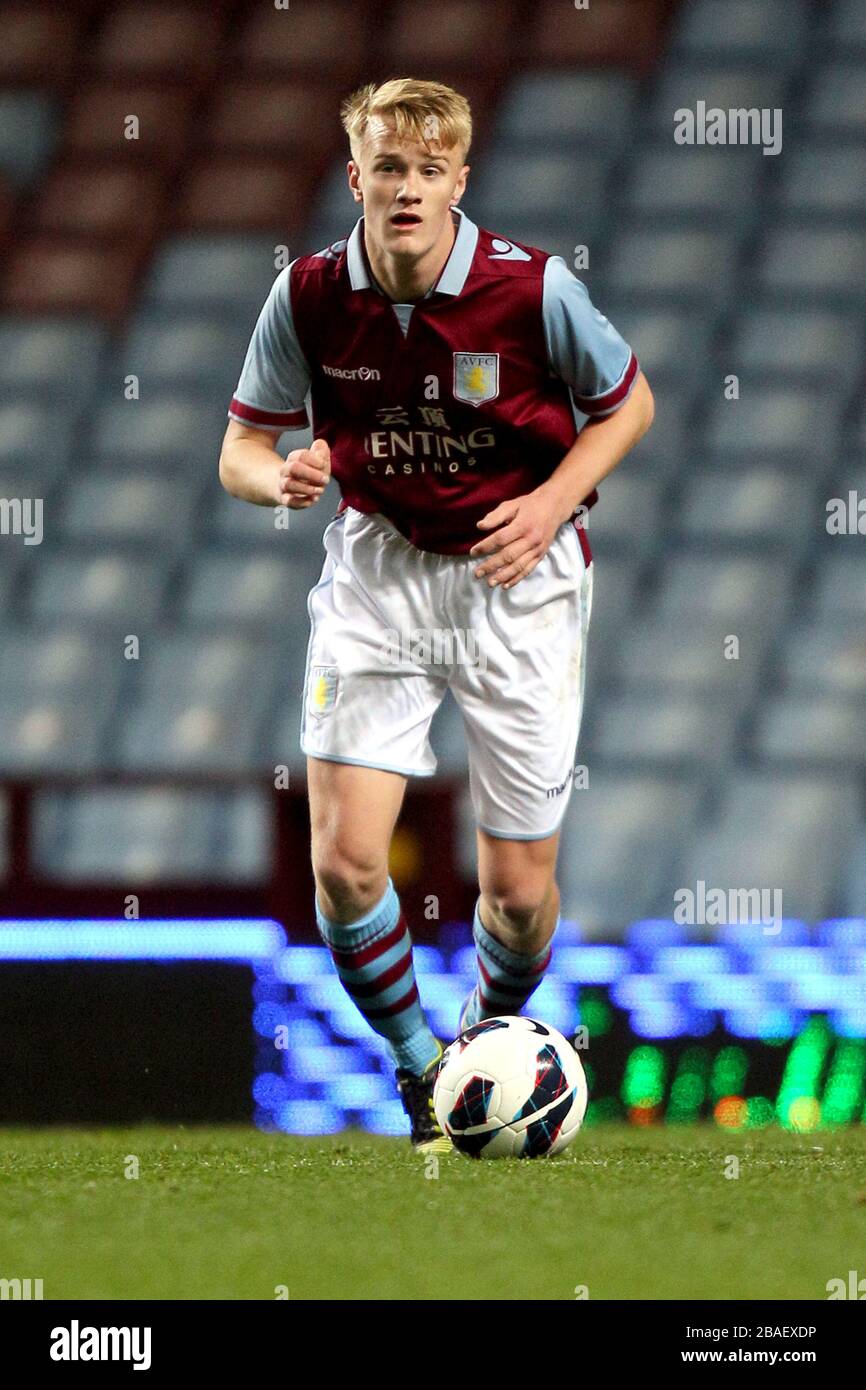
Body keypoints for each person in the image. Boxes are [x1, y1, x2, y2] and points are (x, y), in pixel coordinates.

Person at [219, 78, 654, 1151]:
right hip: (379, 570)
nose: (405, 188)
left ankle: (485, 1039)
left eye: (427, 170)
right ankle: (424, 1072)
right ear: (354, 171)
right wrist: (271, 476)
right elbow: (236, 446)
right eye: (386, 166)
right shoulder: (310, 294)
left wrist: (553, 500)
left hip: (521, 576)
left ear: (459, 181)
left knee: (514, 894)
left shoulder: (531, 289)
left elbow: (628, 401)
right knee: (344, 862)